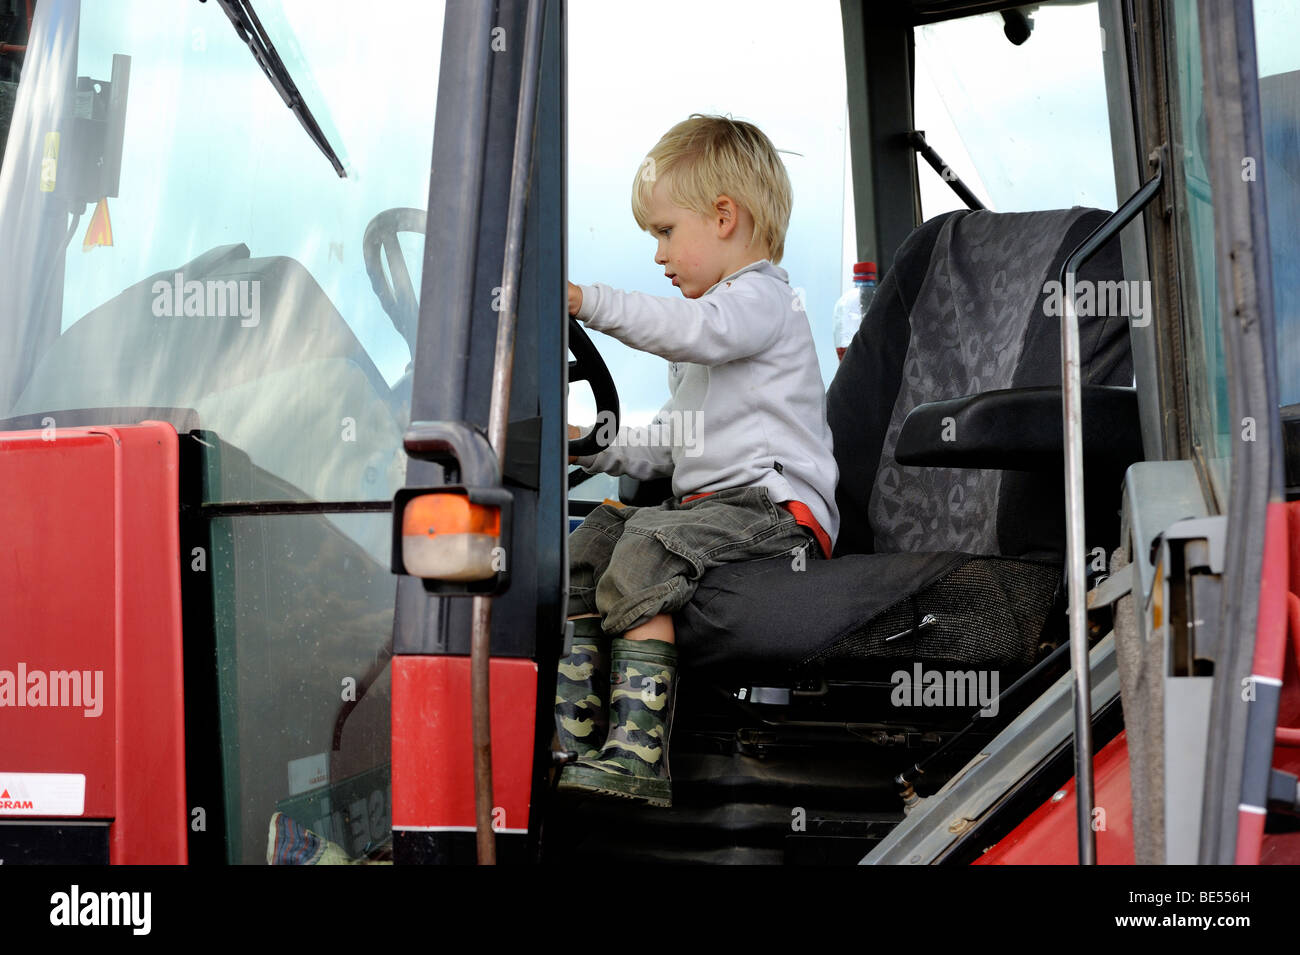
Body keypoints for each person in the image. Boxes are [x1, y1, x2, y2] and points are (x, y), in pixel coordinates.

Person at [556, 114, 839, 808]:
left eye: (663, 231)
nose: (657, 255)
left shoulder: (761, 302)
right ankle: (570, 732)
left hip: (775, 513)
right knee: (591, 540)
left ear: (723, 216)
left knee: (649, 542)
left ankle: (639, 750)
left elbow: (689, 332)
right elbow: (670, 444)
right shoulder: (715, 329)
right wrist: (589, 442)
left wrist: (587, 302)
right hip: (711, 511)